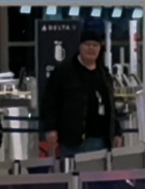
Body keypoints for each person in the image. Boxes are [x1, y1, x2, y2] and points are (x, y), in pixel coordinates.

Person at [42, 29, 123, 158]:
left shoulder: (104, 74)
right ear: (80, 46)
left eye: (95, 45)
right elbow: (50, 102)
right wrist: (50, 128)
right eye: (87, 44)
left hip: (102, 141)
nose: (91, 48)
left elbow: (111, 106)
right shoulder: (64, 72)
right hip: (73, 142)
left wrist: (117, 132)